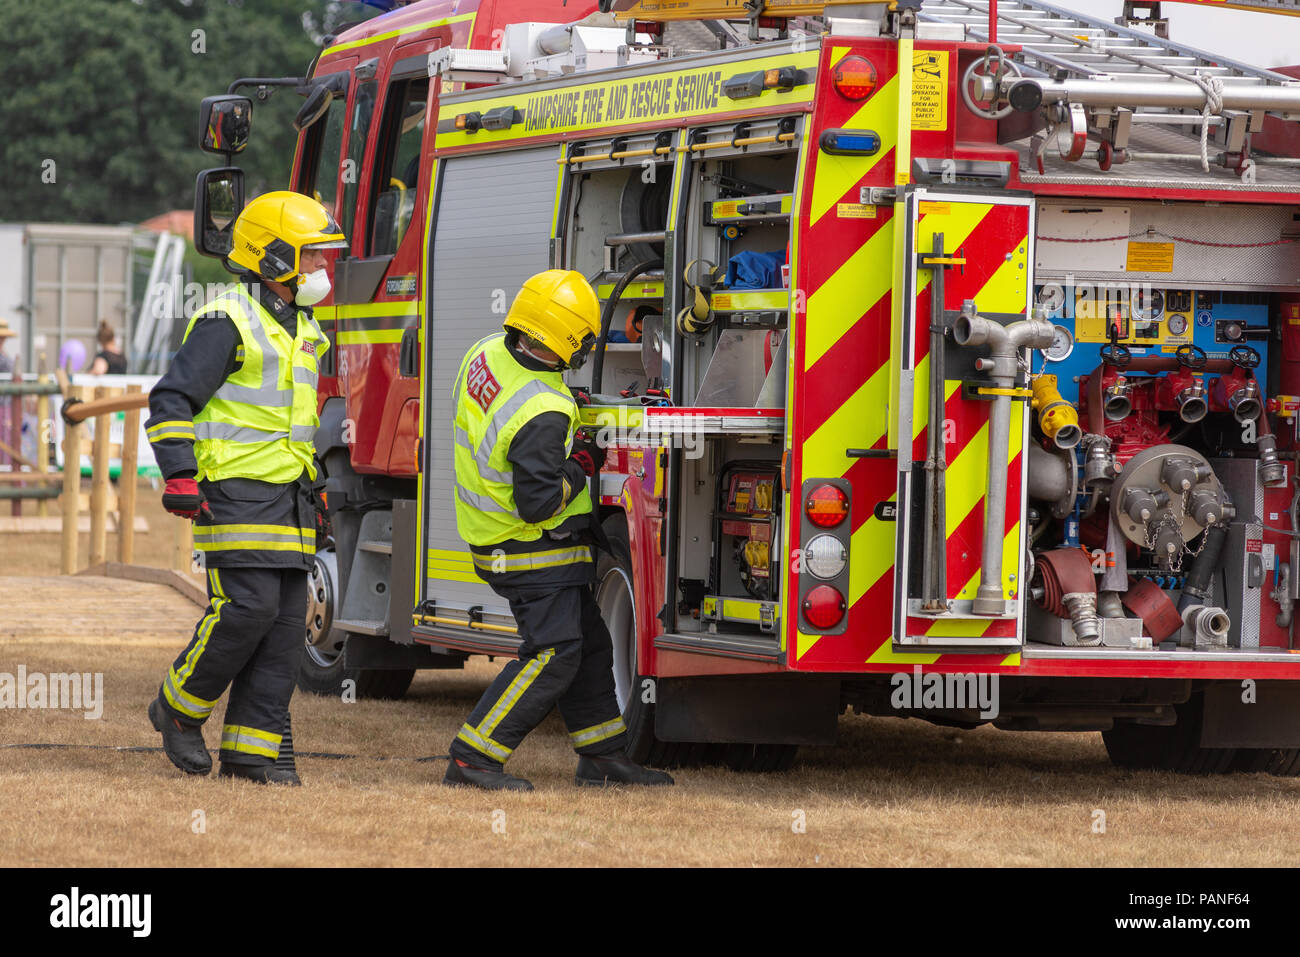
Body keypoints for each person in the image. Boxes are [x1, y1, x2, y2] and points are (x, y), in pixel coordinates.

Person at [445, 269, 674, 791]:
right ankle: (472, 757)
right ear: (573, 341)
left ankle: (602, 756)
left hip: (499, 537)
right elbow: (540, 502)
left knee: (589, 645)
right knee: (553, 652)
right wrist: (584, 460)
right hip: (530, 547)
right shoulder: (542, 410)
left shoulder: (485, 352)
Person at [144, 190, 346, 786]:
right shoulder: (226, 320)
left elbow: (295, 426)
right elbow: (171, 400)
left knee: (285, 622)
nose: (324, 272)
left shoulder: (303, 329)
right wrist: (179, 473)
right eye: (314, 259)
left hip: (290, 497)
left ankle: (251, 754)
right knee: (246, 608)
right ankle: (177, 710)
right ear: (275, 259)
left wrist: (320, 489)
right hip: (232, 491)